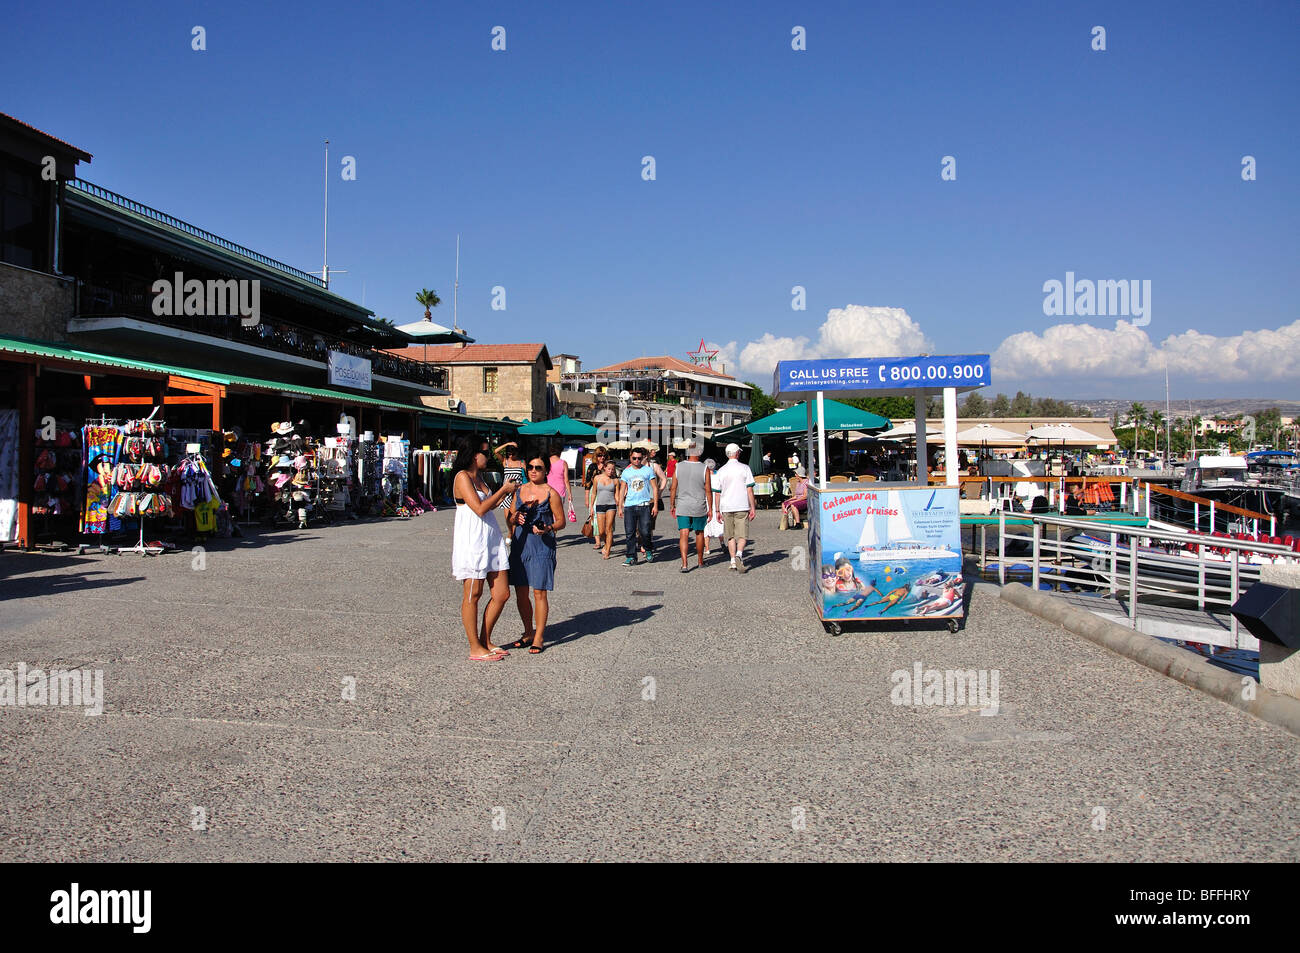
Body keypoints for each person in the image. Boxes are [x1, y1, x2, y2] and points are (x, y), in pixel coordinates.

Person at [450, 437, 520, 660]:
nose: (488, 457)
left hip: (490, 537)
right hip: (472, 541)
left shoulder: (480, 476)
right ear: (473, 454)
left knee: (502, 593)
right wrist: (502, 491)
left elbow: (489, 505)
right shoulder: (462, 477)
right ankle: (475, 647)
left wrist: (509, 495)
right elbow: (479, 508)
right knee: (474, 593)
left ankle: (485, 639)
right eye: (485, 453)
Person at [506, 454, 566, 654]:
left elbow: (561, 521)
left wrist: (548, 527)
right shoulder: (520, 490)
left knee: (539, 592)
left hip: (542, 546)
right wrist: (514, 517)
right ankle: (527, 631)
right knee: (521, 592)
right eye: (530, 466)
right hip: (521, 545)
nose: (533, 470)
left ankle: (539, 636)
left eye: (538, 467)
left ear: (545, 471)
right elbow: (510, 518)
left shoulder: (552, 493)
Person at [711, 443, 757, 573]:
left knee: (730, 535)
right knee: (742, 535)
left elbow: (717, 493)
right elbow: (749, 490)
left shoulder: (721, 471)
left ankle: (732, 561)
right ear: (737, 453)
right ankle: (739, 554)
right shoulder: (745, 468)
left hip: (726, 506)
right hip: (741, 505)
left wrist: (717, 510)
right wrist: (752, 507)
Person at [670, 444, 711, 572]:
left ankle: (684, 564)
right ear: (699, 452)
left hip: (683, 504)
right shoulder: (705, 468)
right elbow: (708, 490)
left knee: (684, 534)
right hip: (699, 504)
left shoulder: (679, 466)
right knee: (699, 533)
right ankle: (700, 561)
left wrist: (672, 504)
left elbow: (673, 487)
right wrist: (711, 508)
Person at [617, 446, 658, 566]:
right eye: (634, 458)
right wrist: (620, 506)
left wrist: (655, 505)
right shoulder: (626, 472)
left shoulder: (648, 470)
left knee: (645, 531)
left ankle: (648, 549)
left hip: (644, 505)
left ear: (642, 458)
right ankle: (631, 556)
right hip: (630, 505)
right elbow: (622, 489)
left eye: (639, 458)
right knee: (629, 533)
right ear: (630, 457)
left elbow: (654, 488)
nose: (636, 461)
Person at [588, 459, 619, 558]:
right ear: (604, 468)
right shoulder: (597, 478)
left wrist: (620, 505)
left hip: (611, 505)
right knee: (601, 531)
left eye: (613, 469)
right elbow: (593, 493)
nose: (611, 471)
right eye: (609, 469)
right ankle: (606, 544)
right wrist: (591, 506)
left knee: (609, 528)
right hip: (600, 505)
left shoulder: (615, 481)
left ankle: (608, 551)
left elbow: (617, 495)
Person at [583, 446, 609, 549]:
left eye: (604, 455)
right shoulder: (592, 467)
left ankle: (607, 537)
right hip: (594, 492)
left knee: (606, 516)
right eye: (599, 455)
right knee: (594, 516)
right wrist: (586, 498)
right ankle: (598, 541)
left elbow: (614, 480)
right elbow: (588, 483)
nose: (602, 457)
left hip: (606, 493)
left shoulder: (608, 466)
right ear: (596, 456)